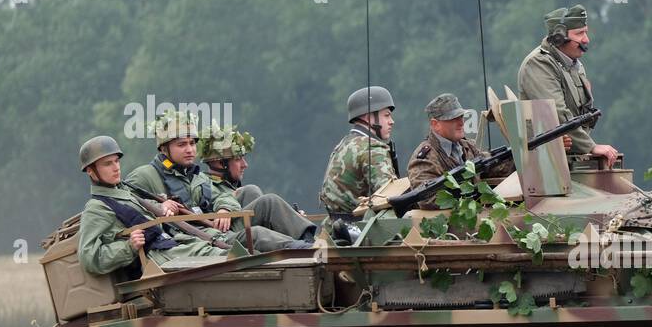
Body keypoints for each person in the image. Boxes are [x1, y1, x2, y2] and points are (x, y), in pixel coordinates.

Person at [76, 135, 226, 277]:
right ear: (91, 171)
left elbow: (144, 208)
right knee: (226, 258)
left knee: (228, 252)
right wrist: (128, 246)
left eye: (116, 161)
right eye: (108, 164)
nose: (116, 167)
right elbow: (89, 258)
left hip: (174, 244)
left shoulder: (125, 192)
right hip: (159, 258)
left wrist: (163, 205)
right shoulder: (96, 208)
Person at [517, 4, 619, 168]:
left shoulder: (573, 65)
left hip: (569, 160)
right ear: (559, 37)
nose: (586, 40)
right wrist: (591, 147)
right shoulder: (539, 63)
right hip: (543, 166)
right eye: (579, 33)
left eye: (586, 32)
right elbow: (556, 114)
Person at [198, 125, 316, 250]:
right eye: (238, 159)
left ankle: (308, 241)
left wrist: (289, 218)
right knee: (260, 199)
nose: (245, 165)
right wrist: (224, 209)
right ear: (221, 164)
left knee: (253, 193)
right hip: (222, 236)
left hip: (244, 233)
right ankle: (305, 247)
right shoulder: (203, 185)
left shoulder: (232, 188)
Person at [320, 85, 402, 218]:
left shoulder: (345, 143)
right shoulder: (372, 148)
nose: (391, 122)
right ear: (369, 118)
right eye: (386, 115)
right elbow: (390, 197)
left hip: (333, 228)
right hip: (362, 230)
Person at [406, 93, 517, 184]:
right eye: (453, 118)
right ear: (435, 124)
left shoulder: (467, 146)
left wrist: (520, 157)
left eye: (461, 116)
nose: (461, 123)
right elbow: (427, 199)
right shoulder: (425, 159)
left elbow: (495, 166)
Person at [124, 110, 215, 217]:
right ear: (164, 149)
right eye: (182, 145)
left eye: (192, 143)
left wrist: (225, 208)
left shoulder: (199, 177)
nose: (190, 149)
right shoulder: (143, 176)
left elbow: (222, 196)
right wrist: (159, 206)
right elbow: (124, 203)